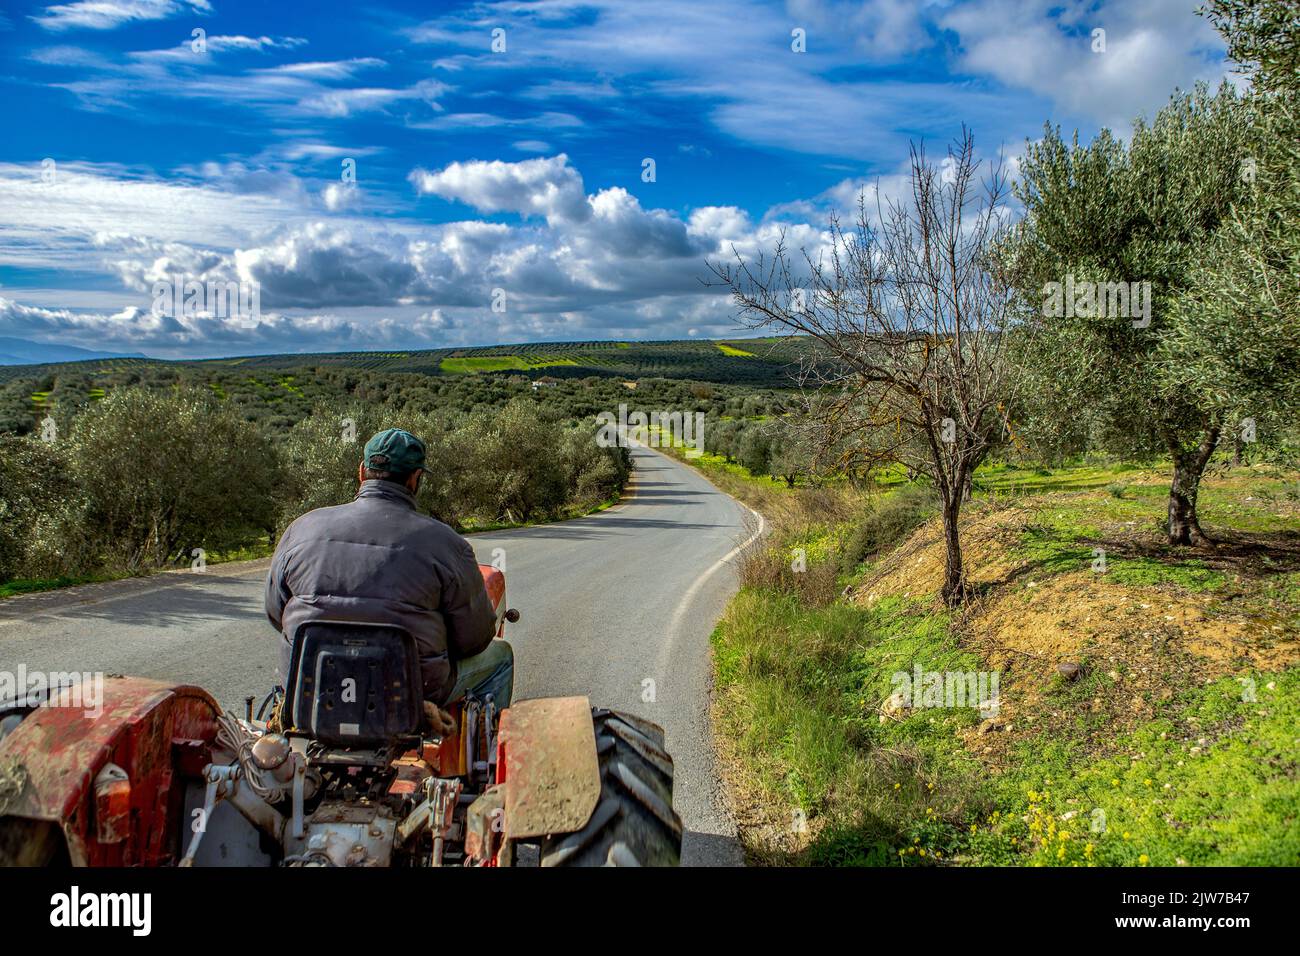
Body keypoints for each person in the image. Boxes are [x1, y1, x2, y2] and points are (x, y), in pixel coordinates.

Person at [265, 428, 513, 718]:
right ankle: (485, 754)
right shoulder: (447, 544)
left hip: (310, 681)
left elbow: (275, 613)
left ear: (361, 472)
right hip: (415, 690)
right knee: (501, 656)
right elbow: (474, 639)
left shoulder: (301, 528)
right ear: (415, 478)